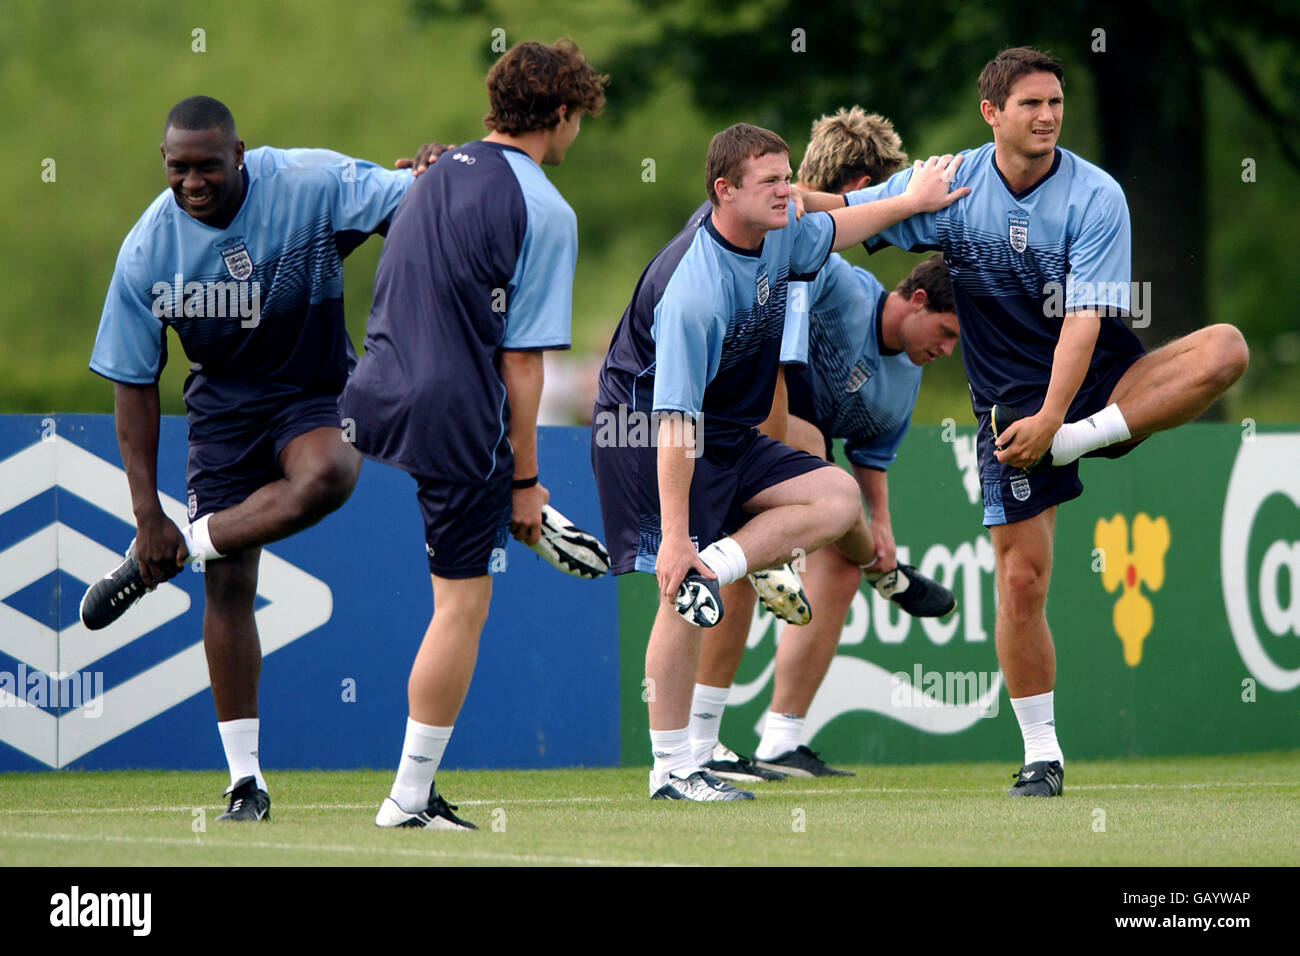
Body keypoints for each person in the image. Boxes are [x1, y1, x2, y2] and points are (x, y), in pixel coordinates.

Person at [802, 48, 1249, 796]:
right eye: (1030, 105)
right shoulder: (948, 184)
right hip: (1009, 407)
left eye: (1055, 103)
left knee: (1226, 347)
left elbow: (1082, 322)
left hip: (1103, 389)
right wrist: (774, 203)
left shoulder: (1095, 195)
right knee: (1021, 579)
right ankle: (1042, 756)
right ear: (991, 114)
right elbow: (842, 215)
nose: (1047, 117)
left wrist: (1059, 426)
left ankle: (1079, 440)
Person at [83, 95, 442, 821]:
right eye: (178, 168)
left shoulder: (309, 184)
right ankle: (245, 781)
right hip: (222, 415)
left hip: (311, 392)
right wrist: (146, 515)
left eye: (208, 165)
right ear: (163, 163)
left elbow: (414, 200)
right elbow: (134, 390)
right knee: (228, 588)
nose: (193, 182)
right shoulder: (147, 251)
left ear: (239, 153)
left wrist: (438, 171)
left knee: (330, 474)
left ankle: (186, 545)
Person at [591, 122, 969, 801]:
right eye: (770, 182)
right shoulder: (695, 289)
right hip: (651, 433)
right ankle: (672, 770)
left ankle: (726, 564)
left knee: (833, 496)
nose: (787, 191)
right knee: (680, 589)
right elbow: (674, 419)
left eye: (787, 177)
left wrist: (912, 202)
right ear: (723, 191)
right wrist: (677, 538)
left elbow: (849, 219)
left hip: (728, 432)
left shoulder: (782, 232)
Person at [338, 39, 608, 830]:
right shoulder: (547, 210)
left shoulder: (423, 177)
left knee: (437, 583)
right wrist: (524, 483)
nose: (577, 134)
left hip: (375, 392)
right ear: (558, 115)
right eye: (578, 120)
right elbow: (522, 364)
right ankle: (408, 800)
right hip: (456, 414)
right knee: (460, 607)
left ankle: (211, 533)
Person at [686, 109, 961, 782]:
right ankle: (692, 747)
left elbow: (871, 459)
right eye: (947, 333)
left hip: (795, 449)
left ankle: (781, 735)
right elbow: (797, 209)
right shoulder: (830, 273)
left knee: (844, 548)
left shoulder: (904, 383)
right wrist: (905, 202)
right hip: (732, 420)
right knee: (803, 443)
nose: (945, 351)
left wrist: (883, 524)